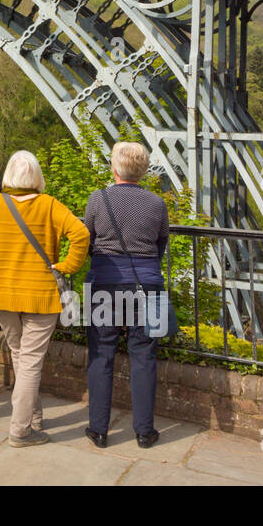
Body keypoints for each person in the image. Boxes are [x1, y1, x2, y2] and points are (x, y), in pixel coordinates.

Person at [0, 150, 88, 446]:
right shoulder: (49, 206)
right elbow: (81, 234)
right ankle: (21, 430)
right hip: (40, 295)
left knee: (21, 356)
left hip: (2, 295)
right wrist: (68, 266)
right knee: (30, 360)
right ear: (36, 177)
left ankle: (32, 419)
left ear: (9, 175)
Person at [82, 141, 171, 449]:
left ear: (114, 168)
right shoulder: (157, 204)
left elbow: (88, 240)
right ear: (143, 171)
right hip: (147, 286)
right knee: (144, 356)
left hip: (105, 284)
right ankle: (145, 432)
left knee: (101, 353)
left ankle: (98, 429)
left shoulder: (98, 199)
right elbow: (161, 245)